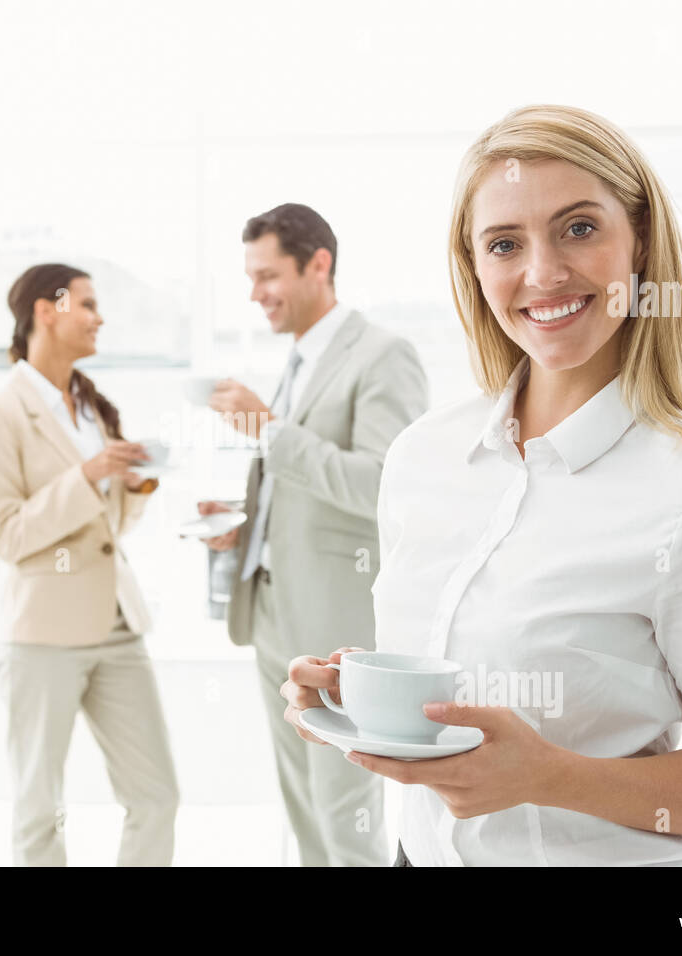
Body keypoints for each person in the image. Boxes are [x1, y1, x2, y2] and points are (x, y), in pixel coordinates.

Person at [281, 104, 682, 866]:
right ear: (474, 269)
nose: (543, 273)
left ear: (640, 244)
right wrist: (356, 689)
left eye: (579, 228)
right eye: (505, 243)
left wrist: (550, 777)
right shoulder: (422, 459)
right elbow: (459, 658)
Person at [198, 204, 428, 866]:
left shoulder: (384, 355)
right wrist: (243, 522)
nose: (255, 294)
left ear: (318, 264)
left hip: (334, 618)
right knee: (301, 802)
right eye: (250, 277)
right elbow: (300, 482)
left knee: (342, 807)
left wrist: (270, 430)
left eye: (268, 274)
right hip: (272, 610)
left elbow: (385, 485)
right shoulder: (299, 358)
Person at [0, 263, 179, 866]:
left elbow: (106, 529)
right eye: (87, 305)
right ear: (46, 310)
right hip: (42, 634)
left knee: (157, 796)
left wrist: (133, 489)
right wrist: (87, 476)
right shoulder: (1, 411)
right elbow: (6, 533)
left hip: (118, 624)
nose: (99, 318)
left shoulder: (92, 405)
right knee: (41, 809)